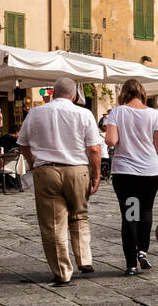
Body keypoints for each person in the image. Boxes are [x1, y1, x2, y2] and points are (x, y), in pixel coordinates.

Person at [15, 77, 102, 285]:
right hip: (78, 170)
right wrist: (96, 175)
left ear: (52, 93)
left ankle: (63, 272)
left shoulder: (35, 113)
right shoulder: (84, 113)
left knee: (53, 224)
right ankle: (84, 258)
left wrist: (33, 161)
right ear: (74, 95)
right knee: (79, 215)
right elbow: (94, 149)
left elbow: (23, 143)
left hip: (47, 171)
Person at [104, 79, 158, 276]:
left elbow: (111, 140)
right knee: (146, 211)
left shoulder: (117, 112)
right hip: (149, 173)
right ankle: (142, 250)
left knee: (130, 215)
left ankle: (130, 264)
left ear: (124, 93)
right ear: (142, 94)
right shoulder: (154, 114)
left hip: (125, 173)